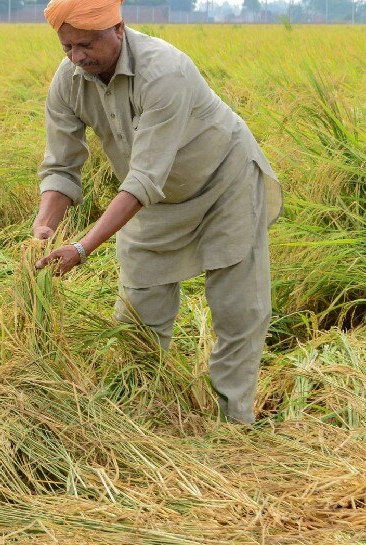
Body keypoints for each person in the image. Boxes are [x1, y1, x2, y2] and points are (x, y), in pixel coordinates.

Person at [33, 0, 283, 424]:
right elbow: (60, 166)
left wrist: (82, 246)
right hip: (153, 201)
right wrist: (43, 228)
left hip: (224, 185)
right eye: (68, 47)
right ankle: (136, 420)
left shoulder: (164, 71)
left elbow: (143, 178)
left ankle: (234, 425)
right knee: (137, 316)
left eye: (87, 43)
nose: (78, 57)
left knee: (238, 310)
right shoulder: (69, 81)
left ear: (118, 28)